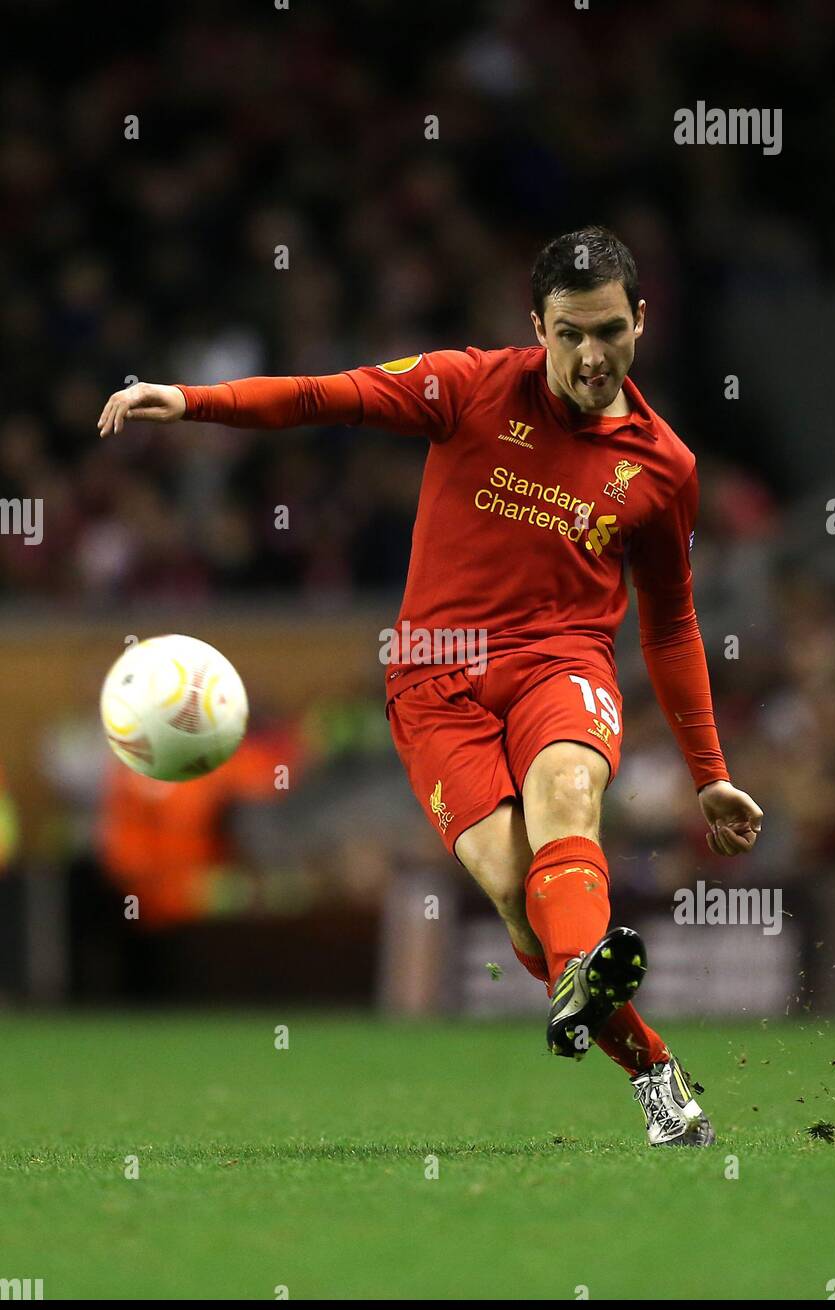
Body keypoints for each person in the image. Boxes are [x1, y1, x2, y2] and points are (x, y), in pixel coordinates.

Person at [98, 225, 763, 1145]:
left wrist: (708, 769)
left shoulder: (664, 469)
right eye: (568, 333)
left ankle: (594, 992)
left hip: (559, 664)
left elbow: (674, 621)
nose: (589, 355)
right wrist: (194, 400)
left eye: (608, 330)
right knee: (513, 889)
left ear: (641, 321)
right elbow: (328, 395)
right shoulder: (471, 384)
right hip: (432, 679)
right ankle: (654, 1067)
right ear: (537, 325)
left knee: (567, 797)